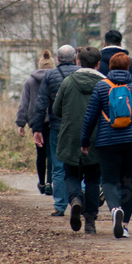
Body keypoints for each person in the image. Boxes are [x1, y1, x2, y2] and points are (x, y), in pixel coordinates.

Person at [80, 53, 132, 239]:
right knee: (128, 181)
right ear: (128, 68)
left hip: (107, 141)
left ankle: (115, 209)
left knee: (109, 180)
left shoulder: (101, 87)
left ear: (109, 67)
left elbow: (90, 117)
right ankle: (125, 226)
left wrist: (85, 141)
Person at [53, 47, 106, 234]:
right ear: (98, 63)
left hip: (70, 136)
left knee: (71, 174)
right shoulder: (105, 84)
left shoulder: (68, 82)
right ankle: (90, 221)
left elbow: (56, 110)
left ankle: (75, 199)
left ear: (78, 62)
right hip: (96, 137)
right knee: (92, 180)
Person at [32, 45, 80, 216]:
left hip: (57, 127)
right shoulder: (83, 73)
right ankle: (79, 198)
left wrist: (37, 128)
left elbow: (41, 104)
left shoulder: (51, 76)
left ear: (58, 59)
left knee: (58, 167)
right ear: (75, 58)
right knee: (81, 162)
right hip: (81, 126)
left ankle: (60, 205)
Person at [15, 49, 55, 195]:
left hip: (36, 122)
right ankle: (51, 182)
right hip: (53, 121)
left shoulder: (30, 81)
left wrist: (21, 123)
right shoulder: (56, 79)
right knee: (52, 153)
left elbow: (24, 103)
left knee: (41, 153)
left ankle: (42, 183)